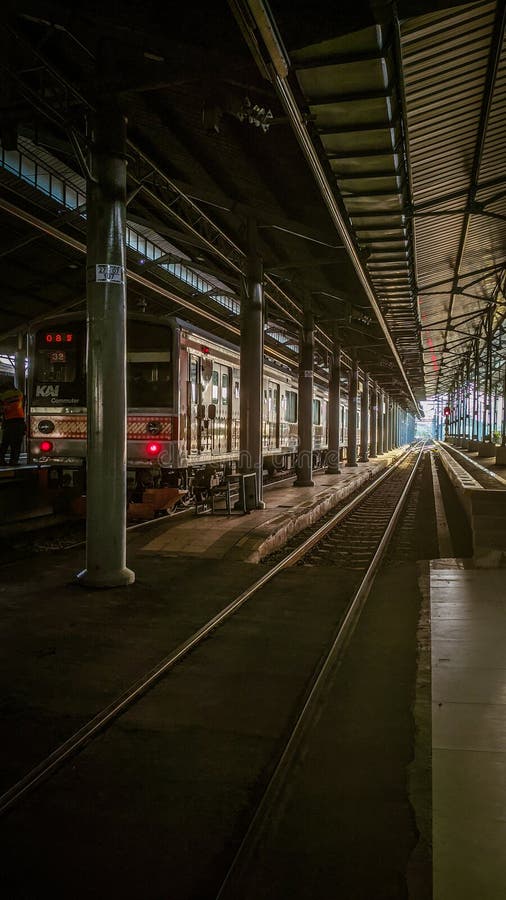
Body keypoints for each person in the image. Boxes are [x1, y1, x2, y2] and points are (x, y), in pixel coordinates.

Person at [0, 375, 26, 466]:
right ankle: (13, 461)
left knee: (5, 442)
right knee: (16, 443)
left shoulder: (2, 396)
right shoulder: (19, 393)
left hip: (8, 422)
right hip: (19, 420)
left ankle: (1, 460)